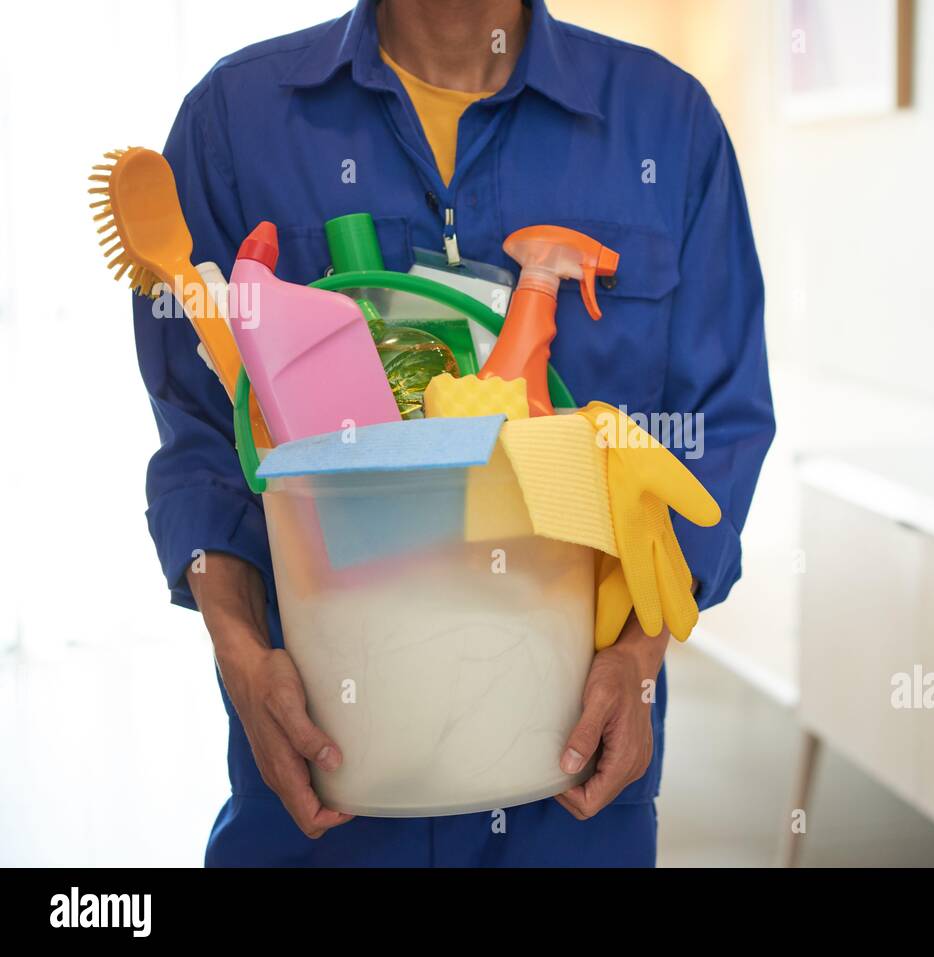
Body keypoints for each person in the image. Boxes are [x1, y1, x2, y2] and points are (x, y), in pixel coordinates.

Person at [134, 0, 774, 866]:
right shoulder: (236, 124)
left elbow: (717, 427)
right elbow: (205, 447)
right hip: (324, 782)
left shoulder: (667, 125)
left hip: (572, 787)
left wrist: (639, 657)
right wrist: (243, 656)